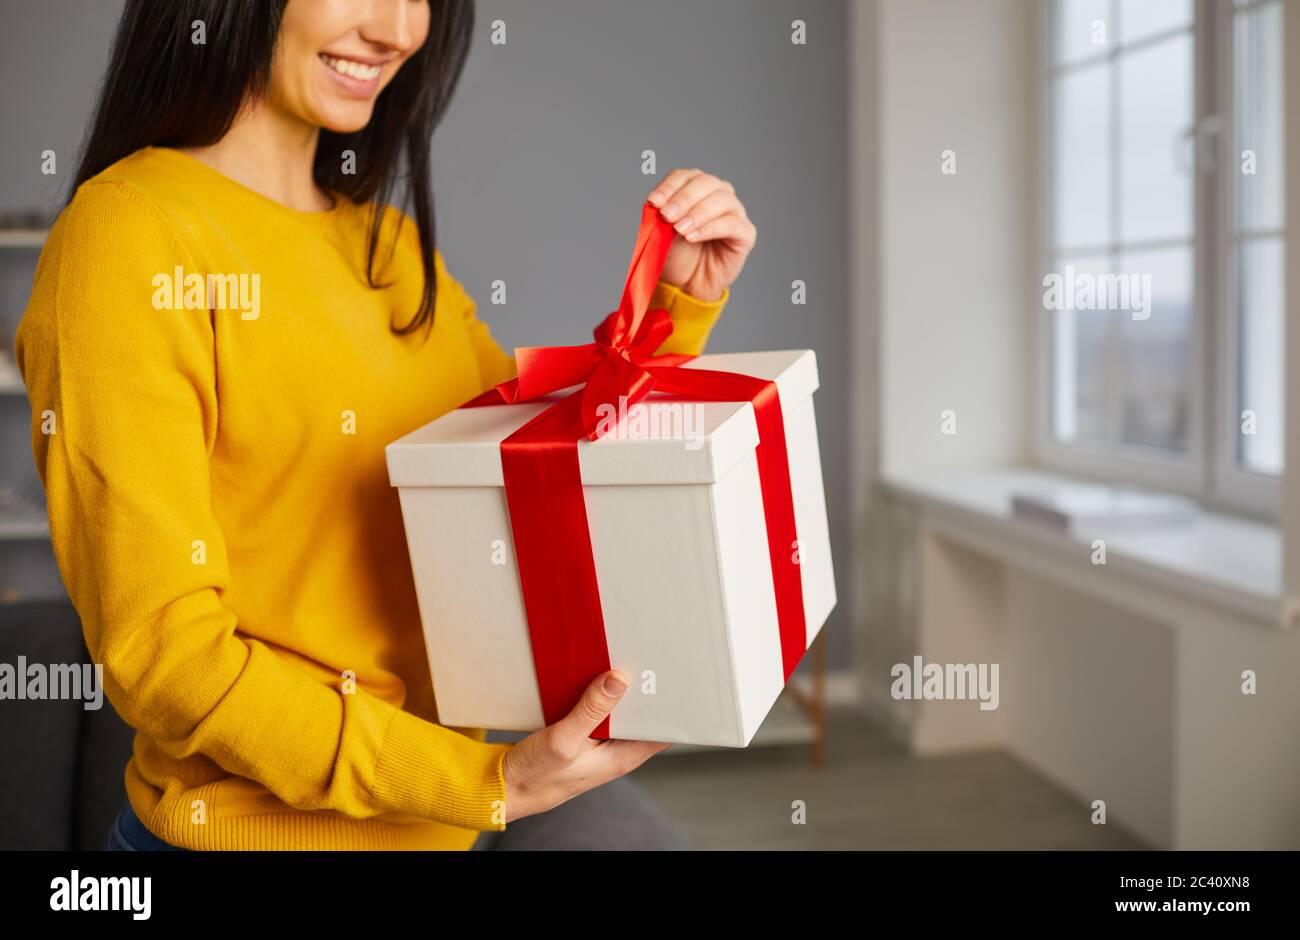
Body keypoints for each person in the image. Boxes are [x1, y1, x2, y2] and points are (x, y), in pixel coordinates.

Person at [17, 0, 756, 851]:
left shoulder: (388, 243)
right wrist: (484, 784)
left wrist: (673, 301)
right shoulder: (129, 237)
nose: (400, 31)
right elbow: (167, 660)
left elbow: (549, 456)